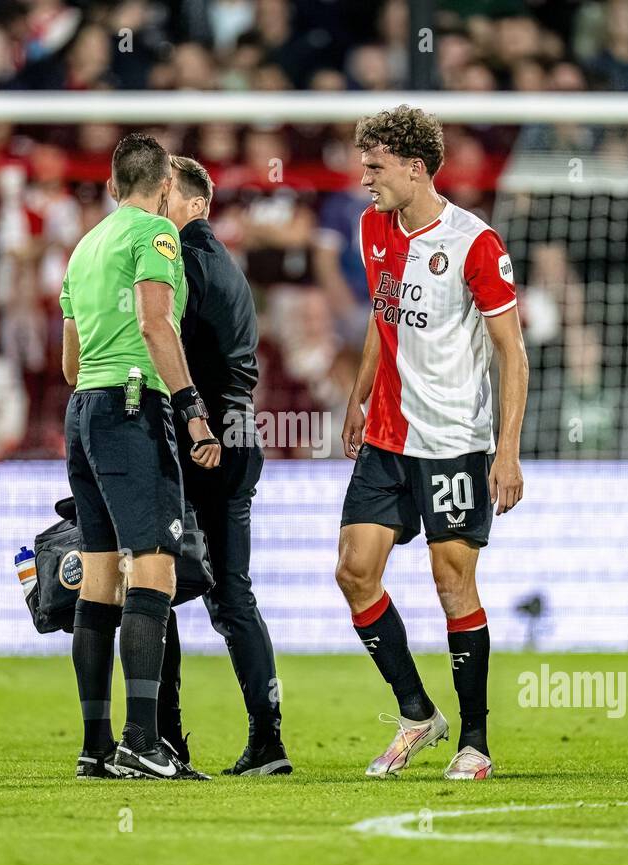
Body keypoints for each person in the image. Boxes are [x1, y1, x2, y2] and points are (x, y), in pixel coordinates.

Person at [336, 105, 528, 780]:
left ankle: (474, 740)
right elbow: (382, 315)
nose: (365, 178)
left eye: (376, 167)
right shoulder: (372, 229)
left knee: (453, 586)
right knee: (354, 573)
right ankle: (418, 712)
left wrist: (506, 451)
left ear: (415, 169)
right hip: (388, 436)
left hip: (453, 441)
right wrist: (358, 397)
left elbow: (512, 352)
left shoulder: (476, 244)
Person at [59, 132, 221, 781]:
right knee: (154, 570)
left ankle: (96, 746)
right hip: (133, 407)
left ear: (110, 185)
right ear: (160, 188)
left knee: (100, 577)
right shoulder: (155, 235)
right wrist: (191, 409)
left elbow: (70, 364)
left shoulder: (84, 245)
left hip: (85, 411)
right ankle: (142, 740)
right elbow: (157, 324)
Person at [160, 154, 291, 776]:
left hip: (202, 436)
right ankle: (268, 740)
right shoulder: (228, 266)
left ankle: (163, 738)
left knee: (156, 583)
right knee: (232, 595)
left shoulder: (180, 262)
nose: (155, 208)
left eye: (164, 197)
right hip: (240, 430)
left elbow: (164, 343)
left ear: (191, 203)